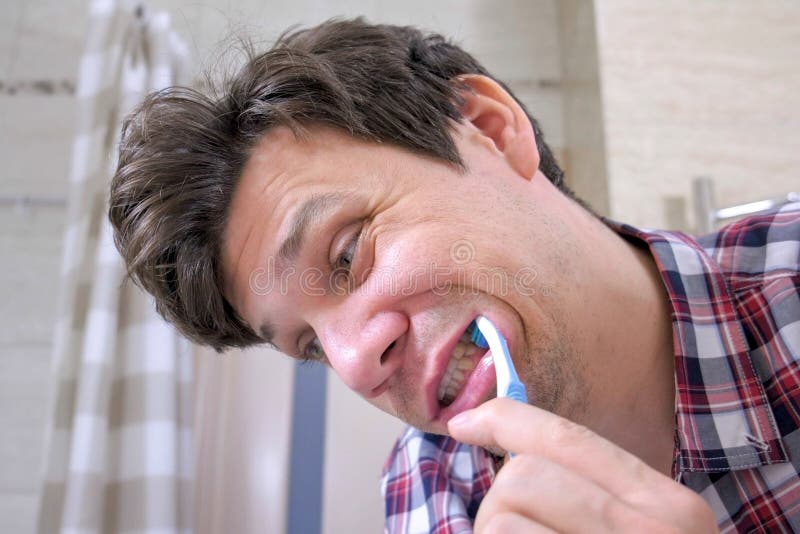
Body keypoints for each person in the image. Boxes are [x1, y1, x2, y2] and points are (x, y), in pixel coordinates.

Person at [108, 17, 800, 533]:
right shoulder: (429, 494)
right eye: (312, 346)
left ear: (492, 130)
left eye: (347, 254)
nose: (354, 365)